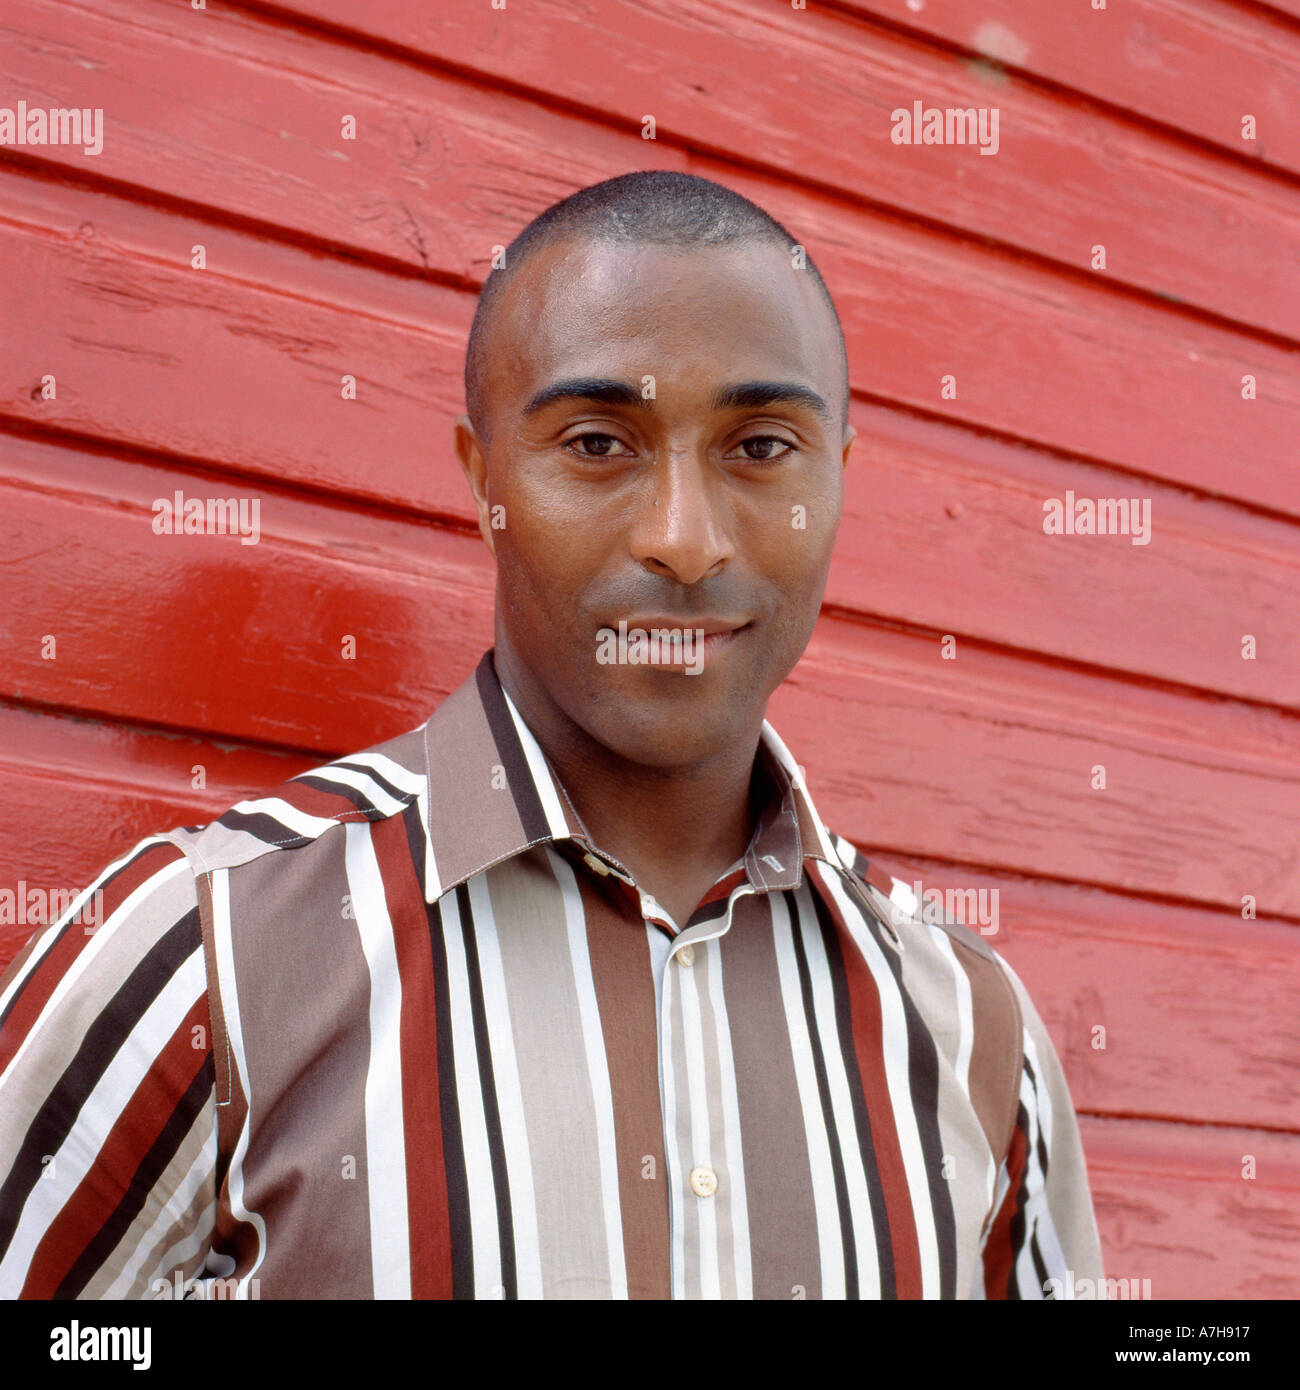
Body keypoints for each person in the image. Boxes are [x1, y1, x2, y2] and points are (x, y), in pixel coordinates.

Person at [0, 169, 1102, 1300]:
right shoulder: (210, 953)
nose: (685, 539)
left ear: (837, 477)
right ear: (485, 482)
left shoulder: (969, 1031)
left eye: (761, 447)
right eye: (595, 442)